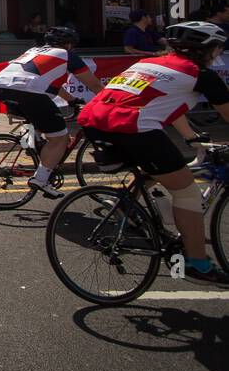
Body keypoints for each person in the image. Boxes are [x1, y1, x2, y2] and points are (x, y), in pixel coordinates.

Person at [79, 21, 229, 285]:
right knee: (186, 191)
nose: (218, 54)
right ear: (209, 49)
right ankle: (197, 265)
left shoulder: (148, 64)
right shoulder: (200, 74)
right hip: (132, 127)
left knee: (158, 169)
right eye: (218, 48)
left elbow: (166, 104)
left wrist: (192, 138)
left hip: (94, 121)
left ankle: (125, 207)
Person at [0, 26, 105, 197]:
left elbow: (53, 87)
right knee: (60, 138)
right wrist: (112, 102)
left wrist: (71, 100)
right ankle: (41, 179)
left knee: (44, 122)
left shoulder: (34, 51)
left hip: (0, 87)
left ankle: (31, 139)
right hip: (26, 91)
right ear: (69, 45)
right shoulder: (67, 55)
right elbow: (95, 85)